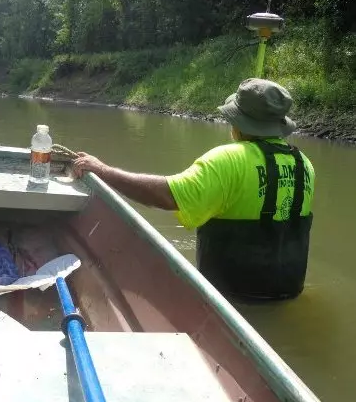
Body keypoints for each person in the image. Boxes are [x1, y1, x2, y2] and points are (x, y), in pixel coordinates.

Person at [72, 78, 315, 299]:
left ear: (238, 124)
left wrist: (103, 171)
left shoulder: (229, 160)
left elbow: (168, 195)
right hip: (288, 291)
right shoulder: (304, 164)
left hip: (231, 295)